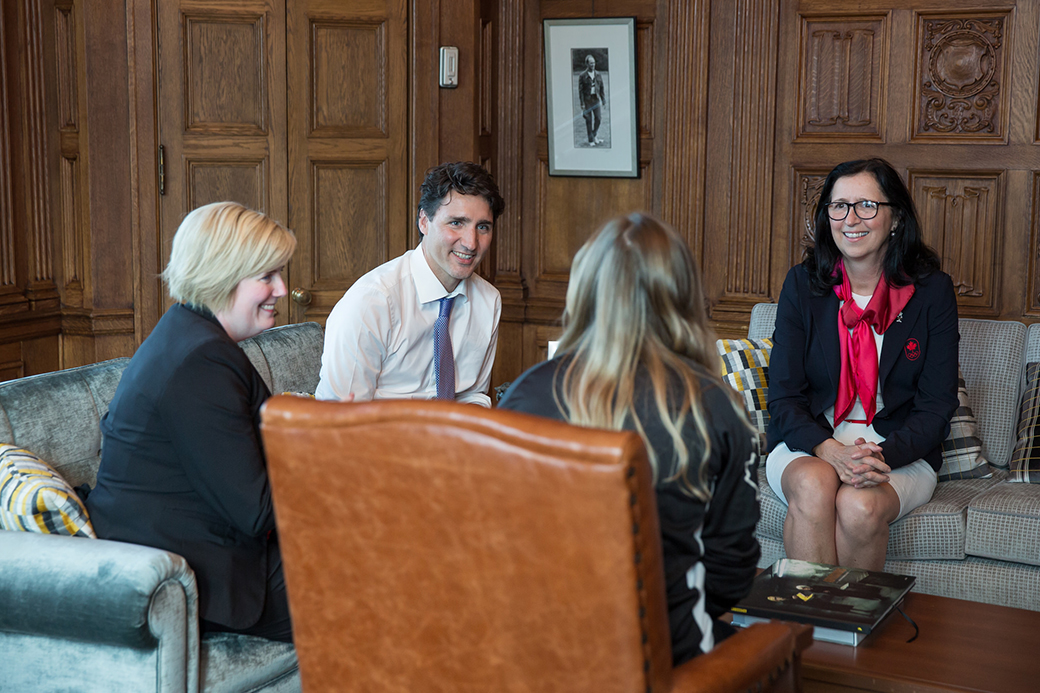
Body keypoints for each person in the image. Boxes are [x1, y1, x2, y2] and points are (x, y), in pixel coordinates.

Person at [498, 212, 761, 665]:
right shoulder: (719, 408)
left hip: (525, 653)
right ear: (681, 296)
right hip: (661, 660)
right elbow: (730, 575)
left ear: (585, 288)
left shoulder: (524, 393)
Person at [85, 201, 297, 642]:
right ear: (223, 275)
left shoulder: (191, 334)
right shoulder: (200, 360)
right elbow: (257, 512)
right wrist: (328, 454)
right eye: (267, 276)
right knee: (383, 585)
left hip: (213, 543)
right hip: (204, 572)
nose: (281, 288)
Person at [766, 158, 959, 572]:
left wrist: (878, 457)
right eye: (839, 206)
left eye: (866, 205)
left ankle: (850, 633)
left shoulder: (932, 293)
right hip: (812, 443)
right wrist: (829, 450)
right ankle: (807, 628)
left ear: (895, 217)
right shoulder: (802, 285)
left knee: (859, 505)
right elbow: (783, 397)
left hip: (898, 452)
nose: (850, 219)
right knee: (815, 483)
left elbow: (936, 407)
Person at [316, 161, 504, 406]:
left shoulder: (489, 301)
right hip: (376, 440)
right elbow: (338, 415)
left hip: (454, 439)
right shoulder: (372, 301)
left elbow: (473, 396)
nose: (471, 243)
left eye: (482, 227)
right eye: (456, 223)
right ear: (424, 222)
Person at [578, 54, 606, 146]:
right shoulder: (582, 76)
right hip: (587, 100)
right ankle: (591, 140)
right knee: (588, 120)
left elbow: (601, 88)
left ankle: (594, 135)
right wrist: (582, 103)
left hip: (596, 99)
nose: (593, 65)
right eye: (591, 63)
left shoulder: (598, 74)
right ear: (587, 64)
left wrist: (603, 100)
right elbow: (580, 91)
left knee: (598, 118)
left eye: (594, 63)